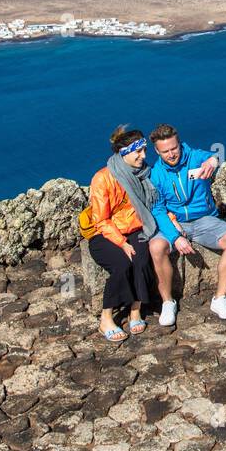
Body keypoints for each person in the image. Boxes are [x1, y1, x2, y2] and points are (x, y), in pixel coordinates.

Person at [146, 123, 226, 325]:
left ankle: (220, 298)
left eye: (174, 148)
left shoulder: (194, 156)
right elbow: (158, 210)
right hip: (175, 222)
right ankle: (167, 302)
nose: (171, 154)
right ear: (157, 151)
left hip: (205, 219)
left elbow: (214, 157)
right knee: (156, 246)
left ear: (179, 144)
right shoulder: (156, 174)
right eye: (165, 151)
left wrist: (212, 162)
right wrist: (175, 237)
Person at [87, 125, 159, 342]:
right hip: (106, 234)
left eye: (144, 151)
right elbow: (100, 219)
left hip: (137, 229)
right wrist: (121, 243)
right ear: (123, 152)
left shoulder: (144, 174)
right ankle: (106, 317)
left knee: (143, 260)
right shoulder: (103, 178)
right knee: (121, 264)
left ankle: (135, 309)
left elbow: (154, 205)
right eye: (138, 152)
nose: (143, 156)